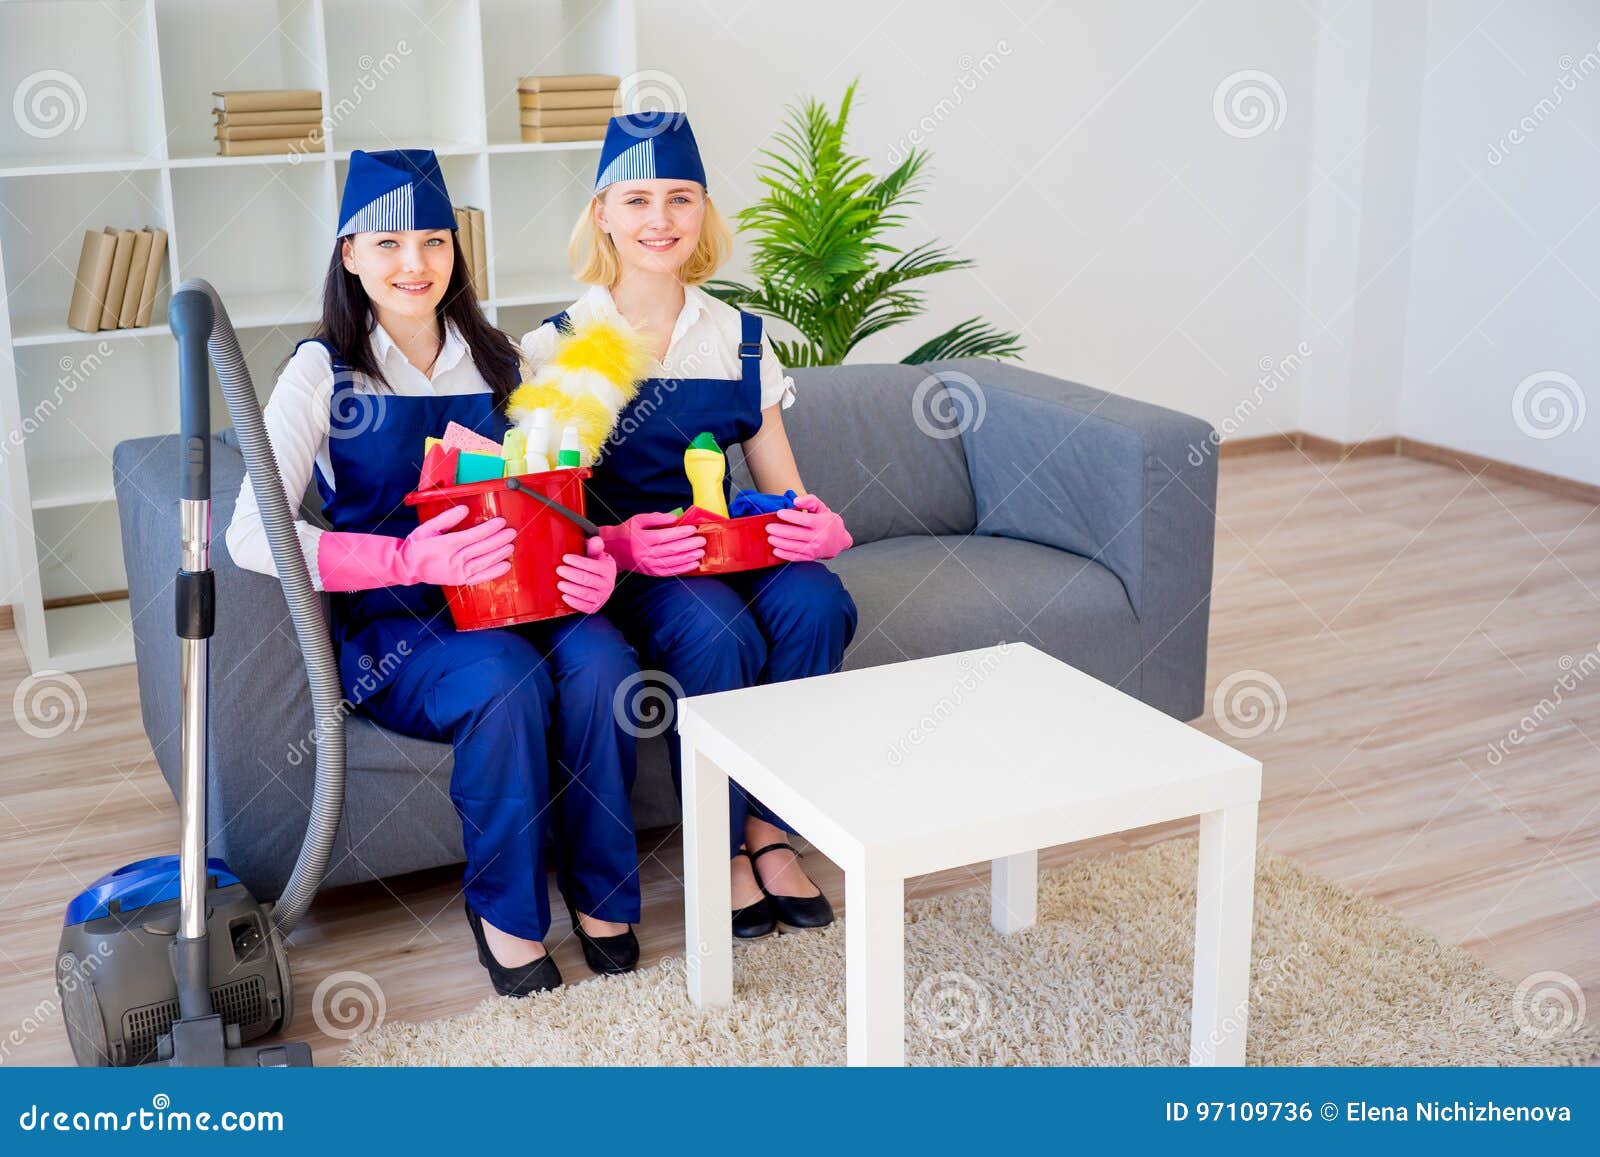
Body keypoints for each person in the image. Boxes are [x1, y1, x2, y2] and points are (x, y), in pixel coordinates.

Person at [226, 149, 641, 995]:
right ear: (350, 254)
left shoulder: (501, 360)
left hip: (518, 599)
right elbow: (247, 533)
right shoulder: (321, 373)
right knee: (503, 678)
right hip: (398, 629)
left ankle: (601, 893)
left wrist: (591, 559)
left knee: (604, 660)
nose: (414, 263)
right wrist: (407, 556)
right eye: (387, 244)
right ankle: (507, 913)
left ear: (456, 250)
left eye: (433, 241)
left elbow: (550, 497)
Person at [521, 114, 858, 940]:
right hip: (626, 566)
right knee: (715, 631)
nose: (660, 219)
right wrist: (623, 544)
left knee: (816, 601)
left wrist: (819, 526)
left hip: (724, 544)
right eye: (637, 200)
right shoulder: (558, 346)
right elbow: (547, 521)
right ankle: (722, 846)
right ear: (602, 214)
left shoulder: (740, 339)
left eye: (680, 198)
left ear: (704, 211)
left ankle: (770, 829)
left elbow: (784, 491)